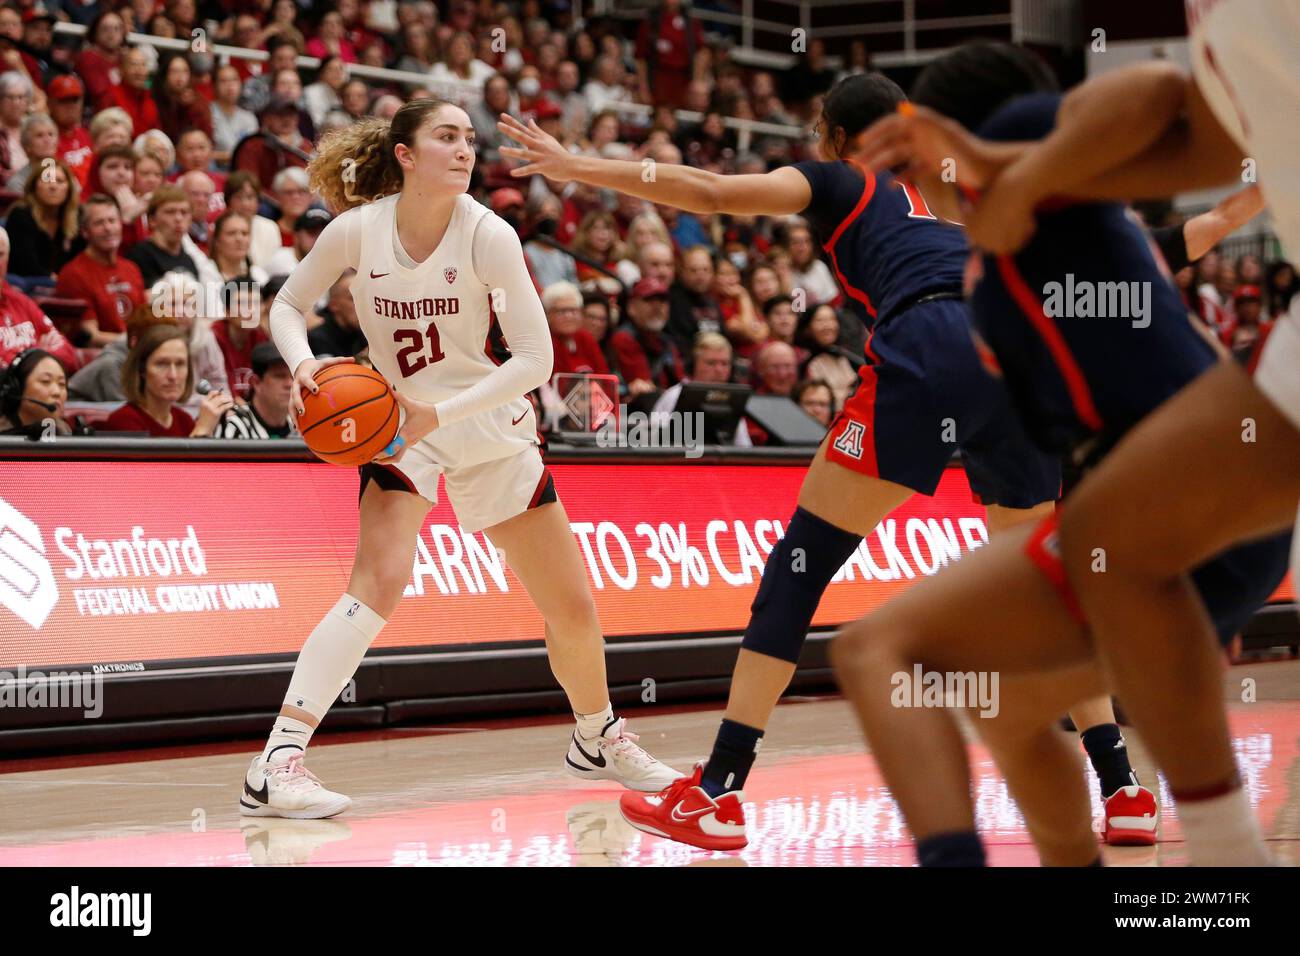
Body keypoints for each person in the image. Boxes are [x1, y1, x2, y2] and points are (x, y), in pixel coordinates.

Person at [499, 73, 1092, 853]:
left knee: (801, 567)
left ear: (838, 138)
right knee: (1043, 578)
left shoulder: (841, 177)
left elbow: (708, 191)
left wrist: (579, 167)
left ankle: (717, 791)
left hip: (931, 343)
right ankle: (1123, 788)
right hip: (1019, 353)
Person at [839, 37, 1295, 866]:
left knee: (878, 651)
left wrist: (1011, 159)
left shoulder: (1053, 173)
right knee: (1008, 706)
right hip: (1162, 514)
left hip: (1188, 490)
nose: (902, 182)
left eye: (909, 155)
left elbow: (1156, 88)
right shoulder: (1000, 256)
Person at [250, 97, 680, 819]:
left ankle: (595, 736)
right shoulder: (359, 231)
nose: (464, 150)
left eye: (470, 139)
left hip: (482, 419)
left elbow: (538, 360)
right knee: (375, 585)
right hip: (393, 425)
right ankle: (277, 761)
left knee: (569, 607)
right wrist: (304, 370)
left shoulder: (490, 235)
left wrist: (438, 415)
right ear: (405, 155)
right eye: (445, 137)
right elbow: (288, 306)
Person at [101, 322, 233, 437]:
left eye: (180, 364)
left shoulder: (184, 420)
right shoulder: (123, 421)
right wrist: (202, 430)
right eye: (161, 364)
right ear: (141, 369)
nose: (173, 375)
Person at [55, 194, 147, 348]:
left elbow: (145, 321)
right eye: (99, 223)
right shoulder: (73, 274)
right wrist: (137, 343)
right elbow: (90, 337)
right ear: (85, 231)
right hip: (105, 356)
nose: (108, 228)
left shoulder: (131, 268)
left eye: (112, 221)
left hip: (137, 351)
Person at [653, 332, 752, 446]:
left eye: (725, 364)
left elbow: (743, 447)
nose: (719, 370)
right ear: (693, 365)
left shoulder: (731, 399)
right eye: (711, 363)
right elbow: (655, 442)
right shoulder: (674, 395)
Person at [0, 227, 77, 372]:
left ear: (8, 258)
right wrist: (38, 354)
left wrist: (23, 360)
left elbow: (69, 355)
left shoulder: (21, 301)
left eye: (0, 255)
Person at [6, 158, 82, 280]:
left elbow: (80, 259)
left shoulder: (76, 217)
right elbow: (25, 264)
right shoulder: (20, 215)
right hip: (25, 285)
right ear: (34, 186)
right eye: (46, 180)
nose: (53, 186)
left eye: (60, 181)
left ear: (69, 189)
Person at [125, 184, 200, 286]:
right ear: (152, 220)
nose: (178, 218)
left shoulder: (189, 260)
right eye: (170, 212)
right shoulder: (140, 255)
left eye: (184, 212)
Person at [219, 341, 294, 439]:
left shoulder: (301, 425)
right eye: (279, 376)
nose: (290, 384)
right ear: (256, 382)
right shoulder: (235, 427)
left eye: (293, 376)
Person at [0, 348, 76, 437]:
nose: (57, 392)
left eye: (62, 384)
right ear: (17, 388)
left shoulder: (67, 435)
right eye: (45, 381)